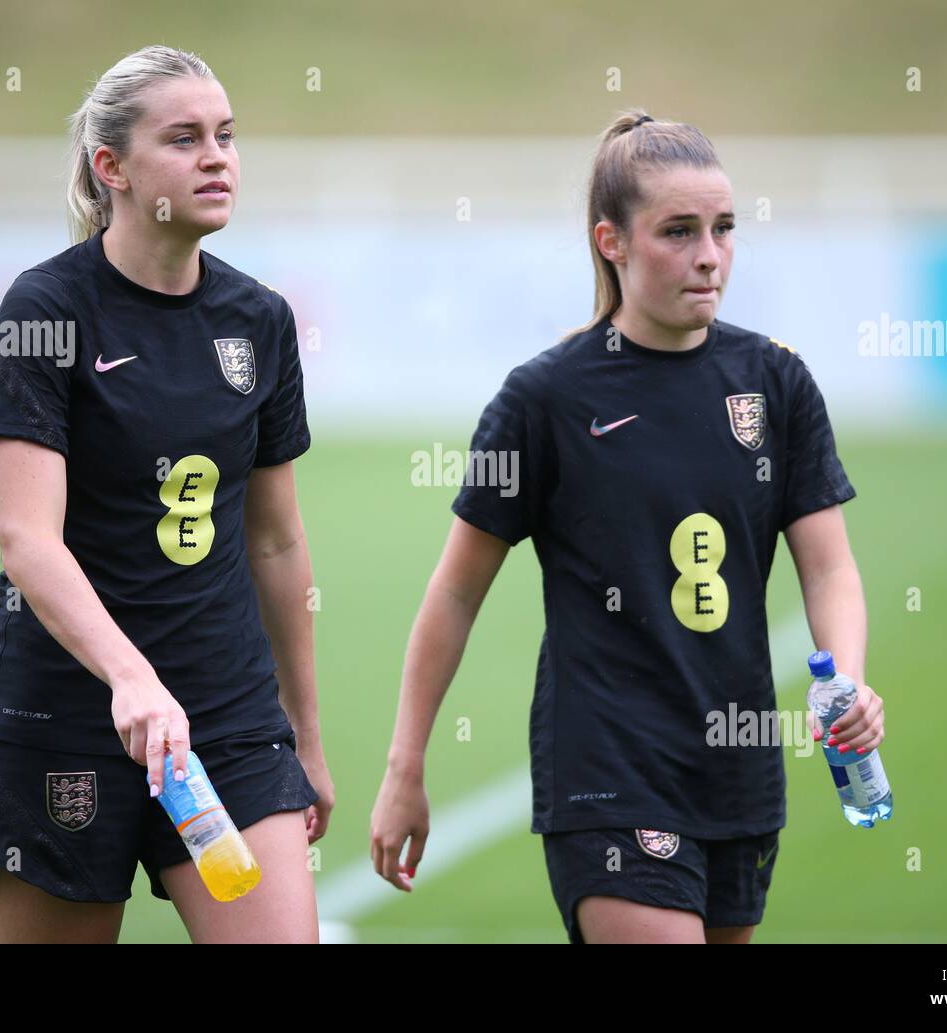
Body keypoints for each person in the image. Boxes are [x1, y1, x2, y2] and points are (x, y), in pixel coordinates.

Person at [370, 110, 883, 944]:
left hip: (738, 759)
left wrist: (848, 681)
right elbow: (457, 589)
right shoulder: (547, 398)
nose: (709, 254)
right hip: (605, 762)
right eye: (678, 232)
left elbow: (828, 570)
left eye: (722, 229)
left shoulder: (776, 382)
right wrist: (406, 765)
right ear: (611, 240)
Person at [0, 45, 334, 944]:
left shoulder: (260, 320)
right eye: (185, 138)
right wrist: (131, 680)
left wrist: (304, 733)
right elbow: (28, 539)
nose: (217, 157)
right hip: (66, 717)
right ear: (112, 168)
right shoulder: (46, 307)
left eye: (227, 136)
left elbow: (275, 541)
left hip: (229, 720)